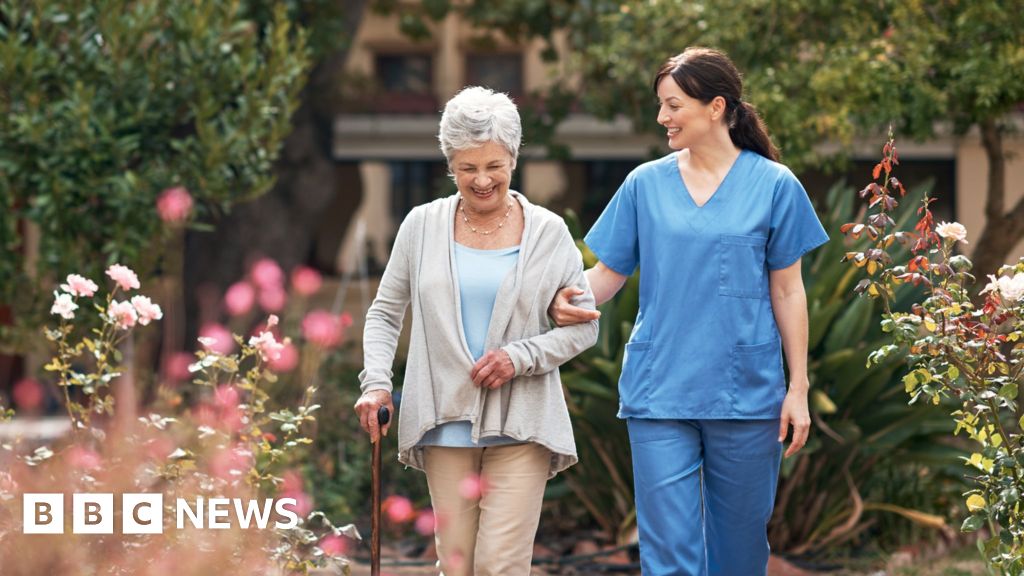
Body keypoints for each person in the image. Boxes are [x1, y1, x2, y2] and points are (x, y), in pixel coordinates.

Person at [549, 47, 829, 575]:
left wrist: (798, 388)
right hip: (661, 390)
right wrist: (560, 296)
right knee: (668, 553)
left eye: (673, 105)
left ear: (716, 107)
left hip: (747, 391)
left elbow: (789, 292)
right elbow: (607, 275)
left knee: (739, 551)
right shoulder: (644, 184)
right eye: (661, 105)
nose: (663, 118)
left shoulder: (775, 186)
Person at [354, 86, 599, 576]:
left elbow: (583, 328)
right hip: (444, 421)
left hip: (522, 423)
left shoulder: (548, 232)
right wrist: (376, 383)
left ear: (513, 157)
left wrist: (519, 357)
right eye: (468, 168)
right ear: (450, 164)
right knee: (457, 563)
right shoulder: (420, 226)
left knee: (500, 565)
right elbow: (385, 312)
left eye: (494, 165)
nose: (482, 180)